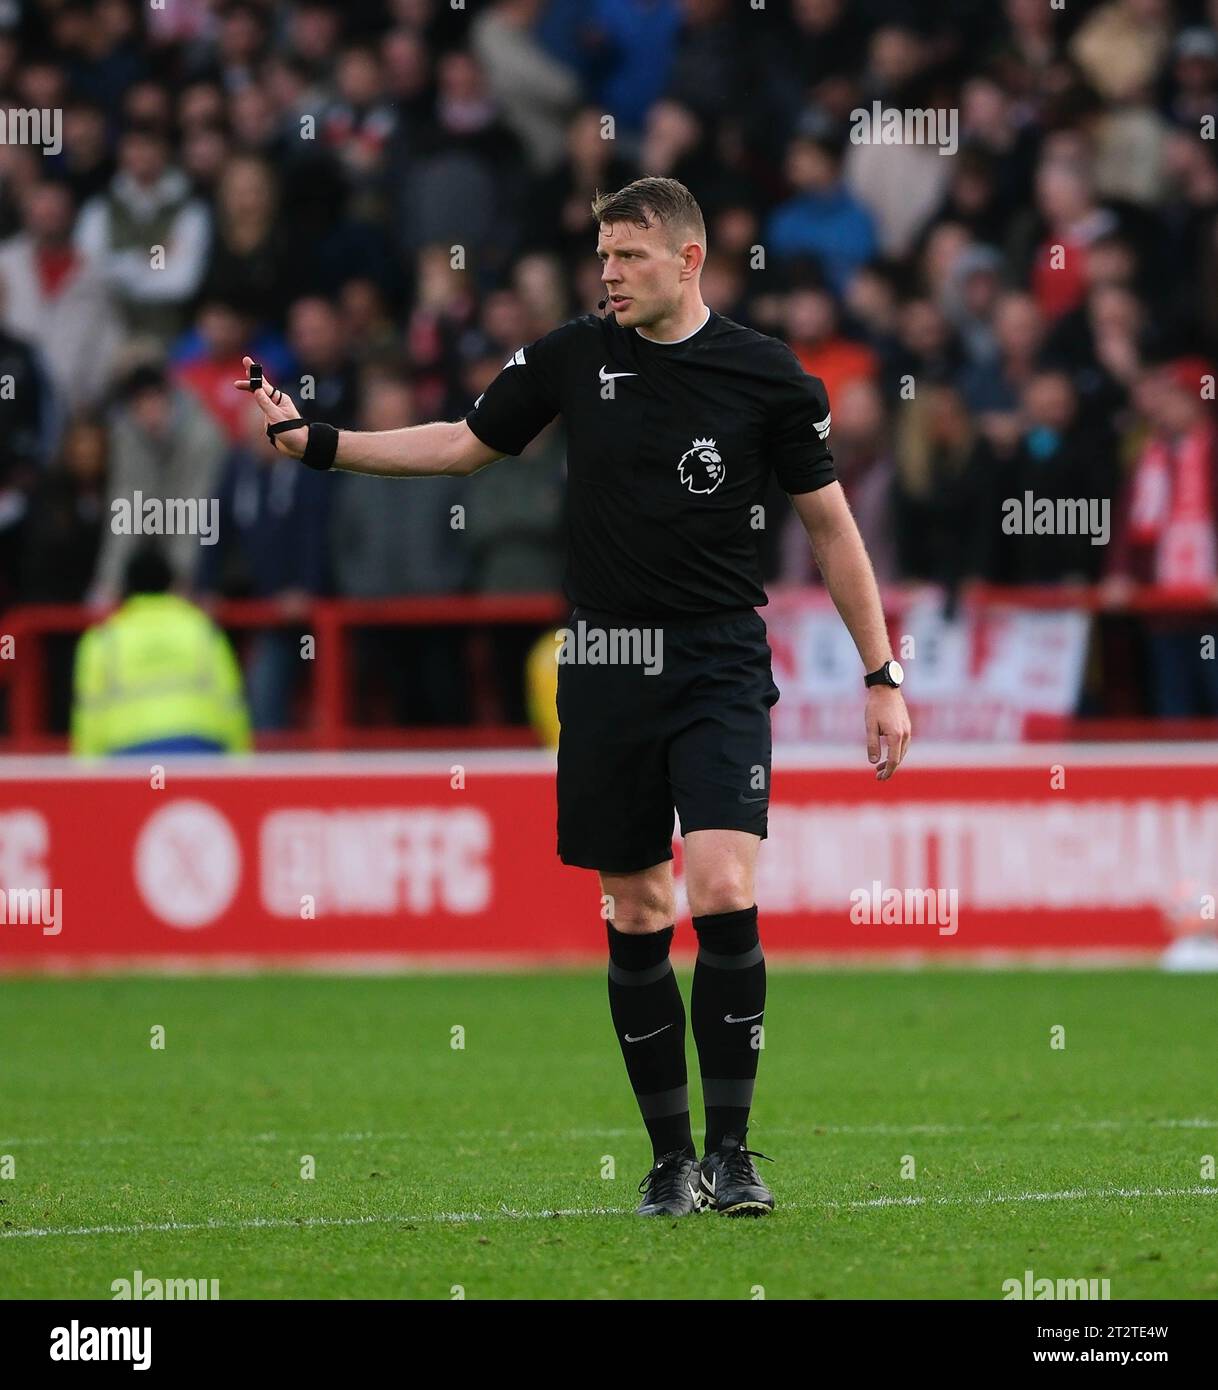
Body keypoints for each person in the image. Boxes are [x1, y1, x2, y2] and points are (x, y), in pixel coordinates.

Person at [236, 176, 911, 1218]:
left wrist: (881, 673)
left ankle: (734, 1155)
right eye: (602, 257)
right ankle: (667, 1159)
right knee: (637, 905)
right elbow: (463, 442)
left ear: (688, 259)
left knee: (724, 888)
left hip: (721, 658)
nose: (610, 274)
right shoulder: (571, 357)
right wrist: (318, 441)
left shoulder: (765, 375)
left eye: (629, 256)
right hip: (602, 663)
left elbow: (830, 529)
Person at [70, 546, 251, 757]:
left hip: (126, 753)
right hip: (200, 748)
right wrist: (239, 764)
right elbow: (232, 702)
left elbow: (89, 714)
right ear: (172, 584)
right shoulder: (203, 630)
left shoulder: (103, 640)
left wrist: (88, 777)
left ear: (126, 587)